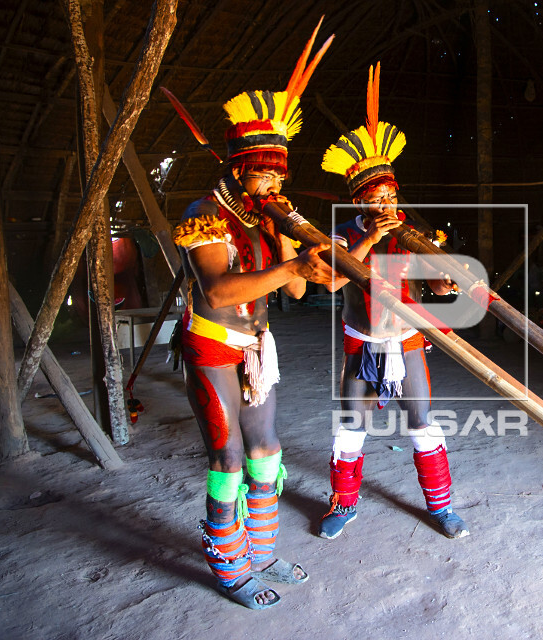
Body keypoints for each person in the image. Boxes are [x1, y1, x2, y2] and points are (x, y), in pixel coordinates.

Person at [170, 23, 334, 610]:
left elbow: (296, 291)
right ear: (239, 170)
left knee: (266, 452)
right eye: (265, 174)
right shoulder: (203, 213)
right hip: (213, 344)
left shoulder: (269, 221)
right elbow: (217, 292)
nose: (273, 185)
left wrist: (297, 245)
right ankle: (228, 566)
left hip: (257, 350)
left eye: (280, 176)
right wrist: (292, 263)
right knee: (229, 458)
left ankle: (260, 552)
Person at [317, 63, 469, 540]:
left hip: (405, 340)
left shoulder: (411, 232)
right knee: (351, 425)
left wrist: (445, 281)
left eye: (390, 194)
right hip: (362, 343)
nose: (385, 203)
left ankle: (441, 507)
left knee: (421, 422)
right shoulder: (343, 235)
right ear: (359, 202)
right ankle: (343, 505)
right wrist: (368, 240)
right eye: (376, 197)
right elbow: (332, 283)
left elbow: (435, 284)